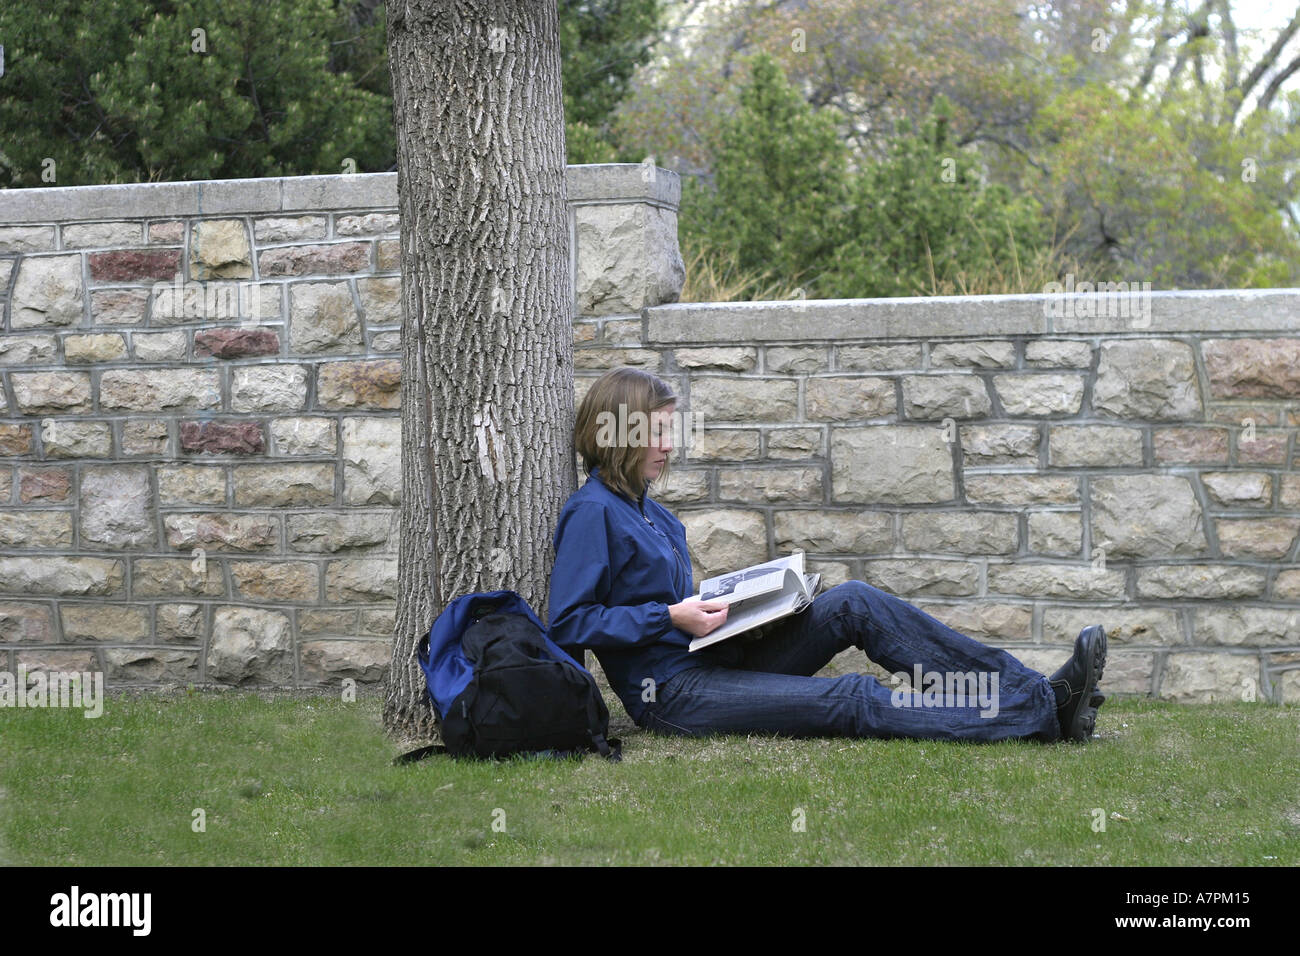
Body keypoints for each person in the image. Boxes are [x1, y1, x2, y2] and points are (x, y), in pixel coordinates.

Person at [548, 367, 1107, 744]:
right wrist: (669, 616)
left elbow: (675, 610)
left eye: (671, 433)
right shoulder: (591, 512)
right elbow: (571, 623)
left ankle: (1032, 690)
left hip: (713, 660)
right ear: (618, 434)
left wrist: (741, 613)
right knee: (852, 697)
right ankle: (1036, 716)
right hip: (673, 695)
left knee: (853, 602)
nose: (668, 447)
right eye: (657, 434)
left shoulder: (654, 512)